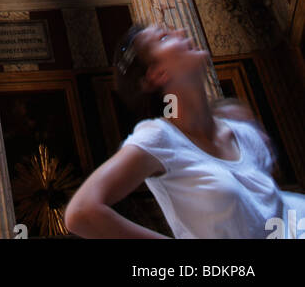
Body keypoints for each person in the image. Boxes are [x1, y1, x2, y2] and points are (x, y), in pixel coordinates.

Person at [64, 23, 305, 239]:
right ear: (157, 74)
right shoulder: (160, 137)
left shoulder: (242, 133)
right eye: (164, 38)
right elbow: (81, 213)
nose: (181, 32)